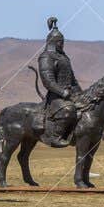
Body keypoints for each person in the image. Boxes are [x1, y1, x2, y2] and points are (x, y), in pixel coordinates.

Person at [36, 16, 84, 147]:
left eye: (62, 42)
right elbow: (48, 81)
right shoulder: (46, 57)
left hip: (70, 94)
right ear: (53, 42)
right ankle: (55, 137)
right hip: (55, 97)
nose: (62, 44)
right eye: (59, 42)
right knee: (68, 110)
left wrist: (82, 95)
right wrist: (62, 93)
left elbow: (72, 80)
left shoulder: (63, 58)